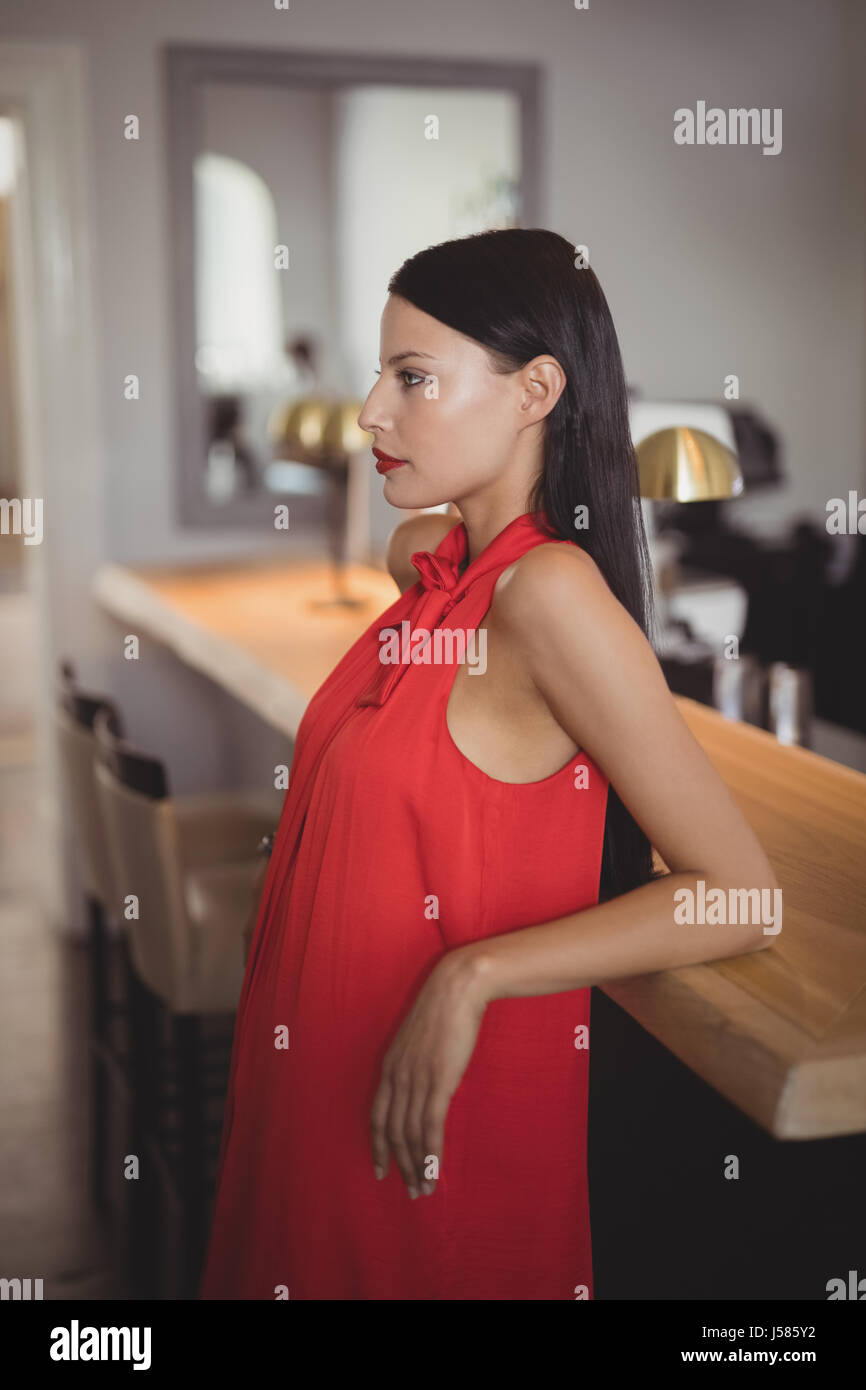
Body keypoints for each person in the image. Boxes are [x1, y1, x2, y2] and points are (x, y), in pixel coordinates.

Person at [199, 228, 778, 1301]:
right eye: (382, 373)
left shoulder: (547, 598)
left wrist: (474, 973)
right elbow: (403, 548)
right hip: (314, 1090)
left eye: (412, 377)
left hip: (421, 1121)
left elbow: (737, 896)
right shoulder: (446, 568)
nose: (372, 409)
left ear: (535, 390)